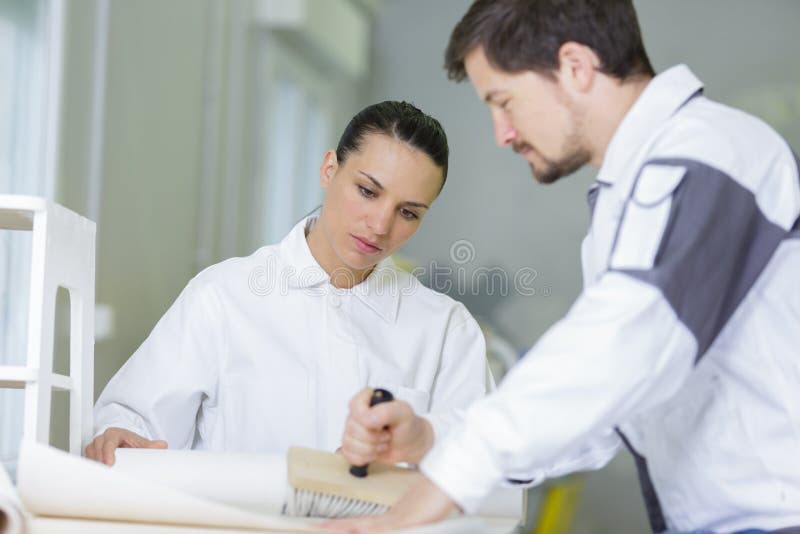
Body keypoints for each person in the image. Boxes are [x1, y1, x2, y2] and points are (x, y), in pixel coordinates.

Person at [330, 1, 800, 533]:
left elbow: (615, 353)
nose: (502, 133)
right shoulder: (631, 192)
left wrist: (441, 485)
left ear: (576, 66)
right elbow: (606, 412)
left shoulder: (708, 155)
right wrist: (433, 440)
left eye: (504, 101)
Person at [85, 101, 491, 467]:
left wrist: (419, 444)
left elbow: (486, 461)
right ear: (329, 169)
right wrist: (119, 434)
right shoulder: (224, 296)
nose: (381, 225)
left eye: (408, 213)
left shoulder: (446, 329)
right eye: (367, 191)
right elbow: (134, 421)